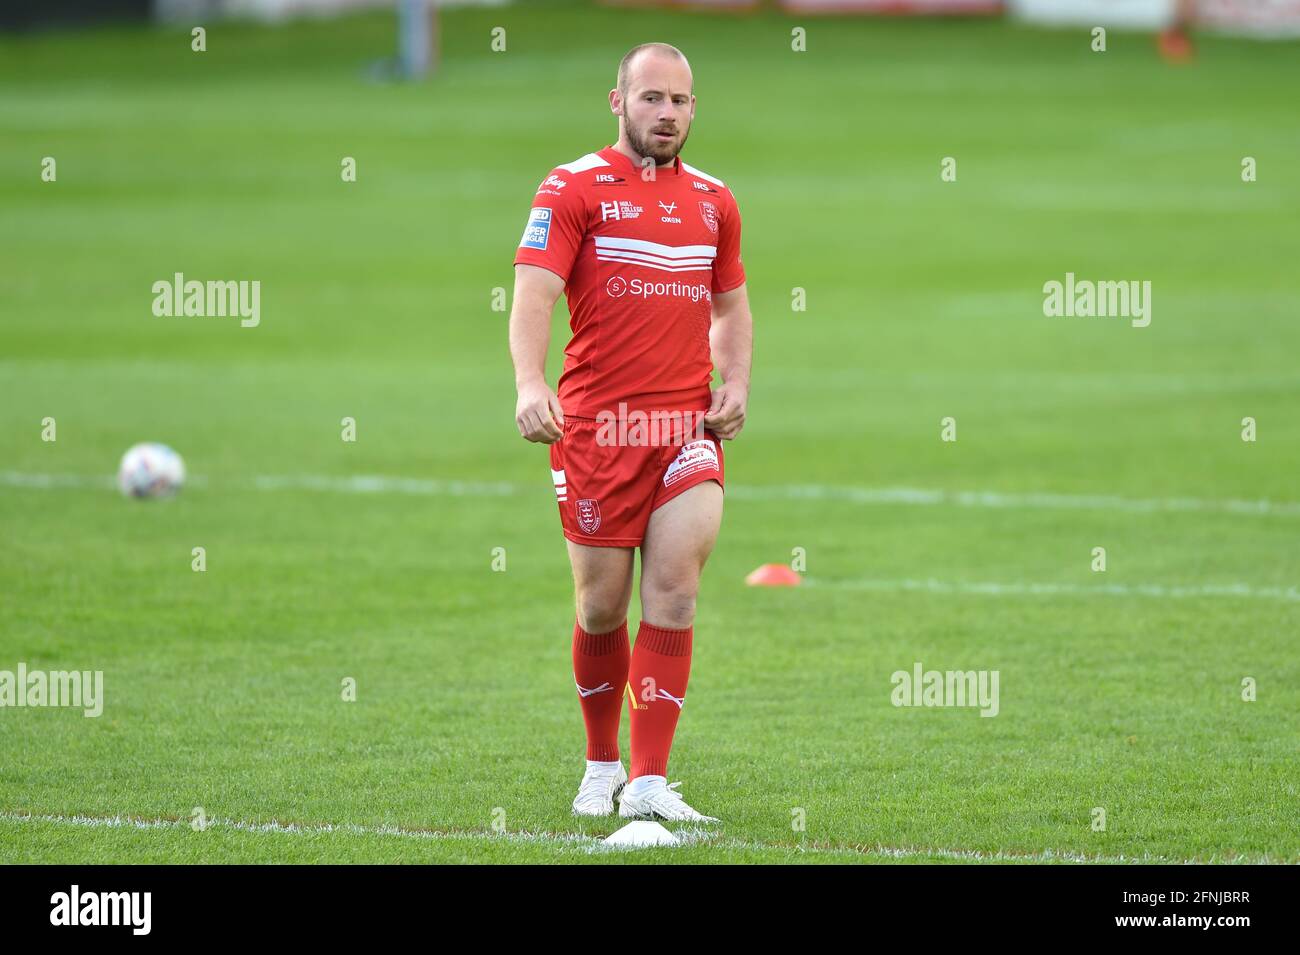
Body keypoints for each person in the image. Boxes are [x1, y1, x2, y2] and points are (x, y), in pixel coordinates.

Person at [508, 42, 753, 822]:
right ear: (618, 102)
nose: (667, 114)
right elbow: (535, 295)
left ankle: (649, 779)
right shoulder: (572, 188)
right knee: (602, 606)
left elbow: (730, 306)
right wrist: (529, 383)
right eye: (651, 98)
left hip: (684, 427)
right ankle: (600, 763)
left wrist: (736, 382)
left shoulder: (715, 200)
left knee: (675, 591)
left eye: (680, 101)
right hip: (599, 430)